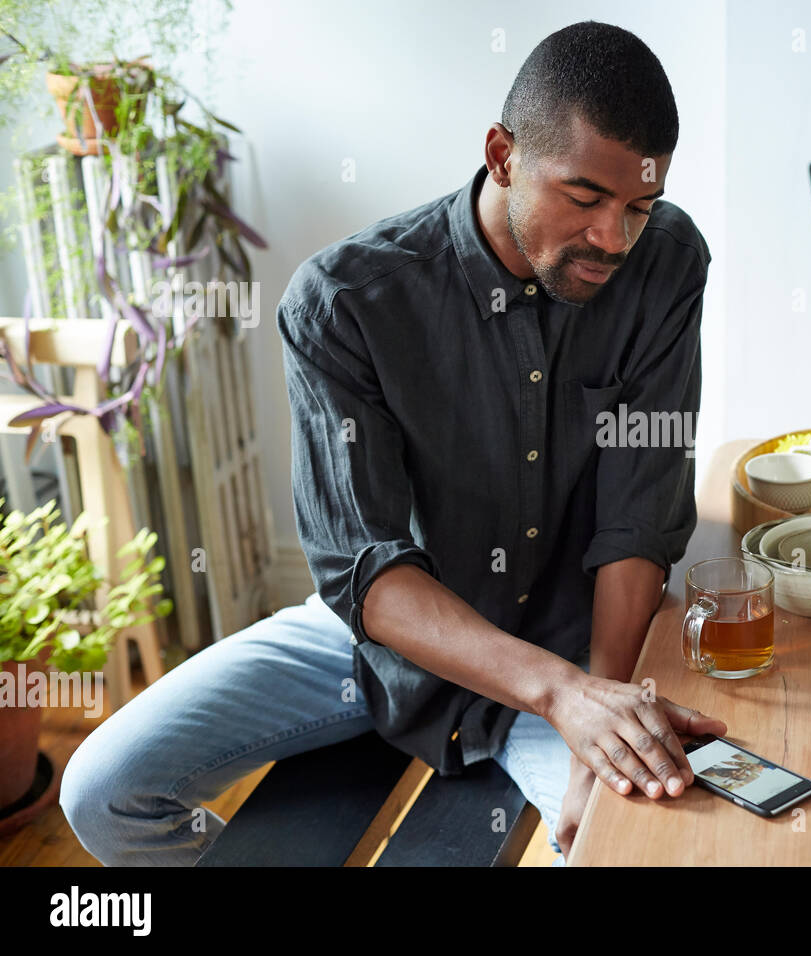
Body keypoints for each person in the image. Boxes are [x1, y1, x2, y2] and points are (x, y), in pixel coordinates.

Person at [59, 20, 726, 866]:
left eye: (639, 206)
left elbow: (638, 520)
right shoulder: (344, 301)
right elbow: (364, 574)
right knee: (104, 791)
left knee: (621, 848)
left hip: (574, 639)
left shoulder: (665, 265)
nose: (613, 239)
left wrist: (600, 708)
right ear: (501, 154)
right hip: (382, 641)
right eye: (586, 199)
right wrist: (565, 697)